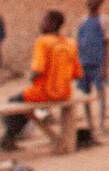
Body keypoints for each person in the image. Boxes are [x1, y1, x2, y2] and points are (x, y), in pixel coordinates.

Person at [1, 10, 83, 150]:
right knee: (22, 105)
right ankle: (10, 138)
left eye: (44, 20)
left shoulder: (43, 41)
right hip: (65, 93)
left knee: (12, 104)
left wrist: (31, 77)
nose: (41, 24)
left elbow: (37, 72)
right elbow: (77, 74)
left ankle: (9, 138)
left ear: (53, 24)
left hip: (44, 92)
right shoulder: (70, 43)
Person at [75, 0, 109, 134]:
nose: (90, 1)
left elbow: (107, 45)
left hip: (98, 63)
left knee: (101, 94)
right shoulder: (82, 21)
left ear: (100, 2)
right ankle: (89, 124)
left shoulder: (104, 20)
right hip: (83, 63)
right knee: (85, 96)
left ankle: (101, 124)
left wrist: (105, 66)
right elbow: (77, 44)